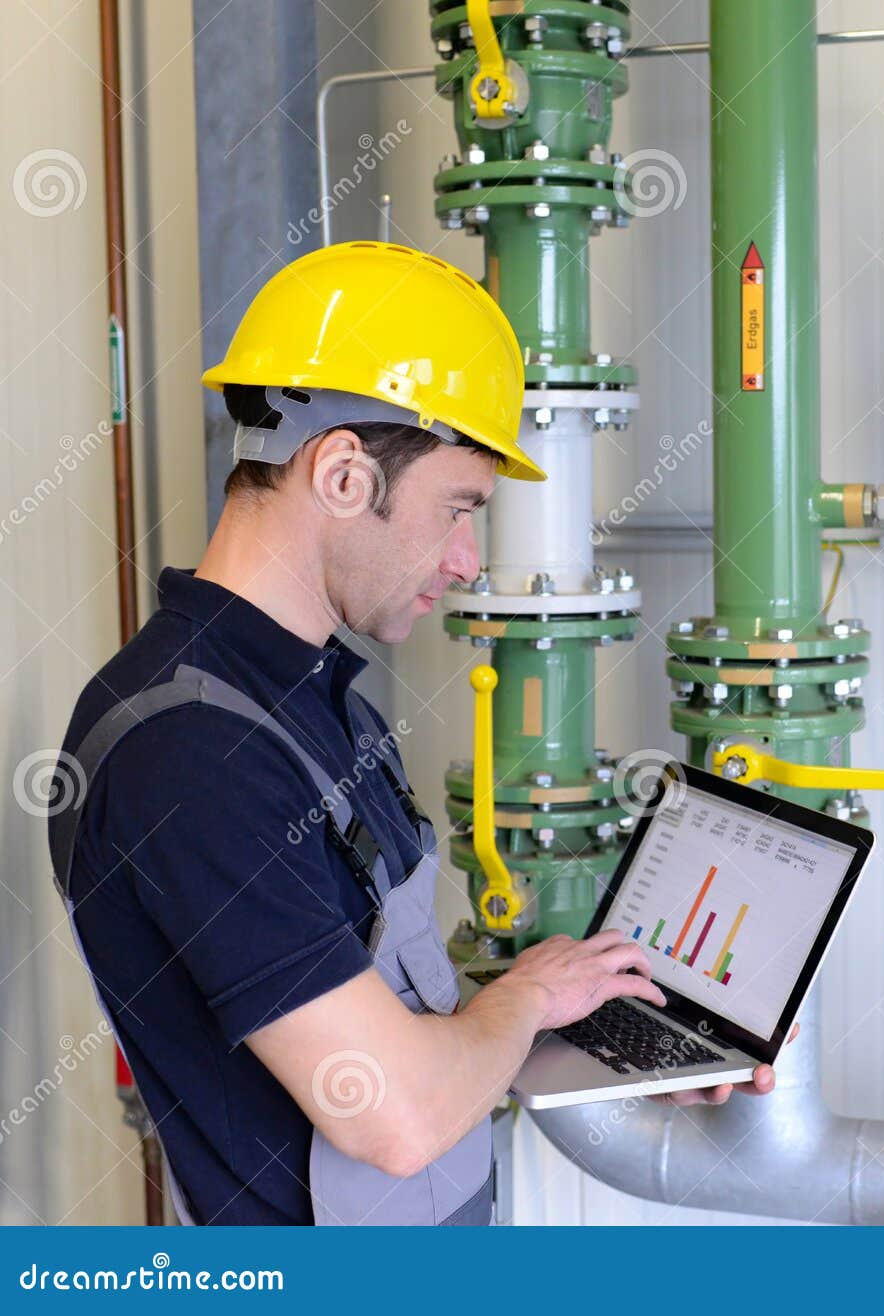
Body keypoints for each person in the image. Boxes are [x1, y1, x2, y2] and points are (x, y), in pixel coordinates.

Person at [47, 242, 777, 1226]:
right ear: (344, 472)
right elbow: (389, 1113)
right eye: (457, 509)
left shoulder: (310, 694)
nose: (468, 559)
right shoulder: (187, 752)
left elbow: (400, 1016)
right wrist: (523, 999)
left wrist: (597, 1044)